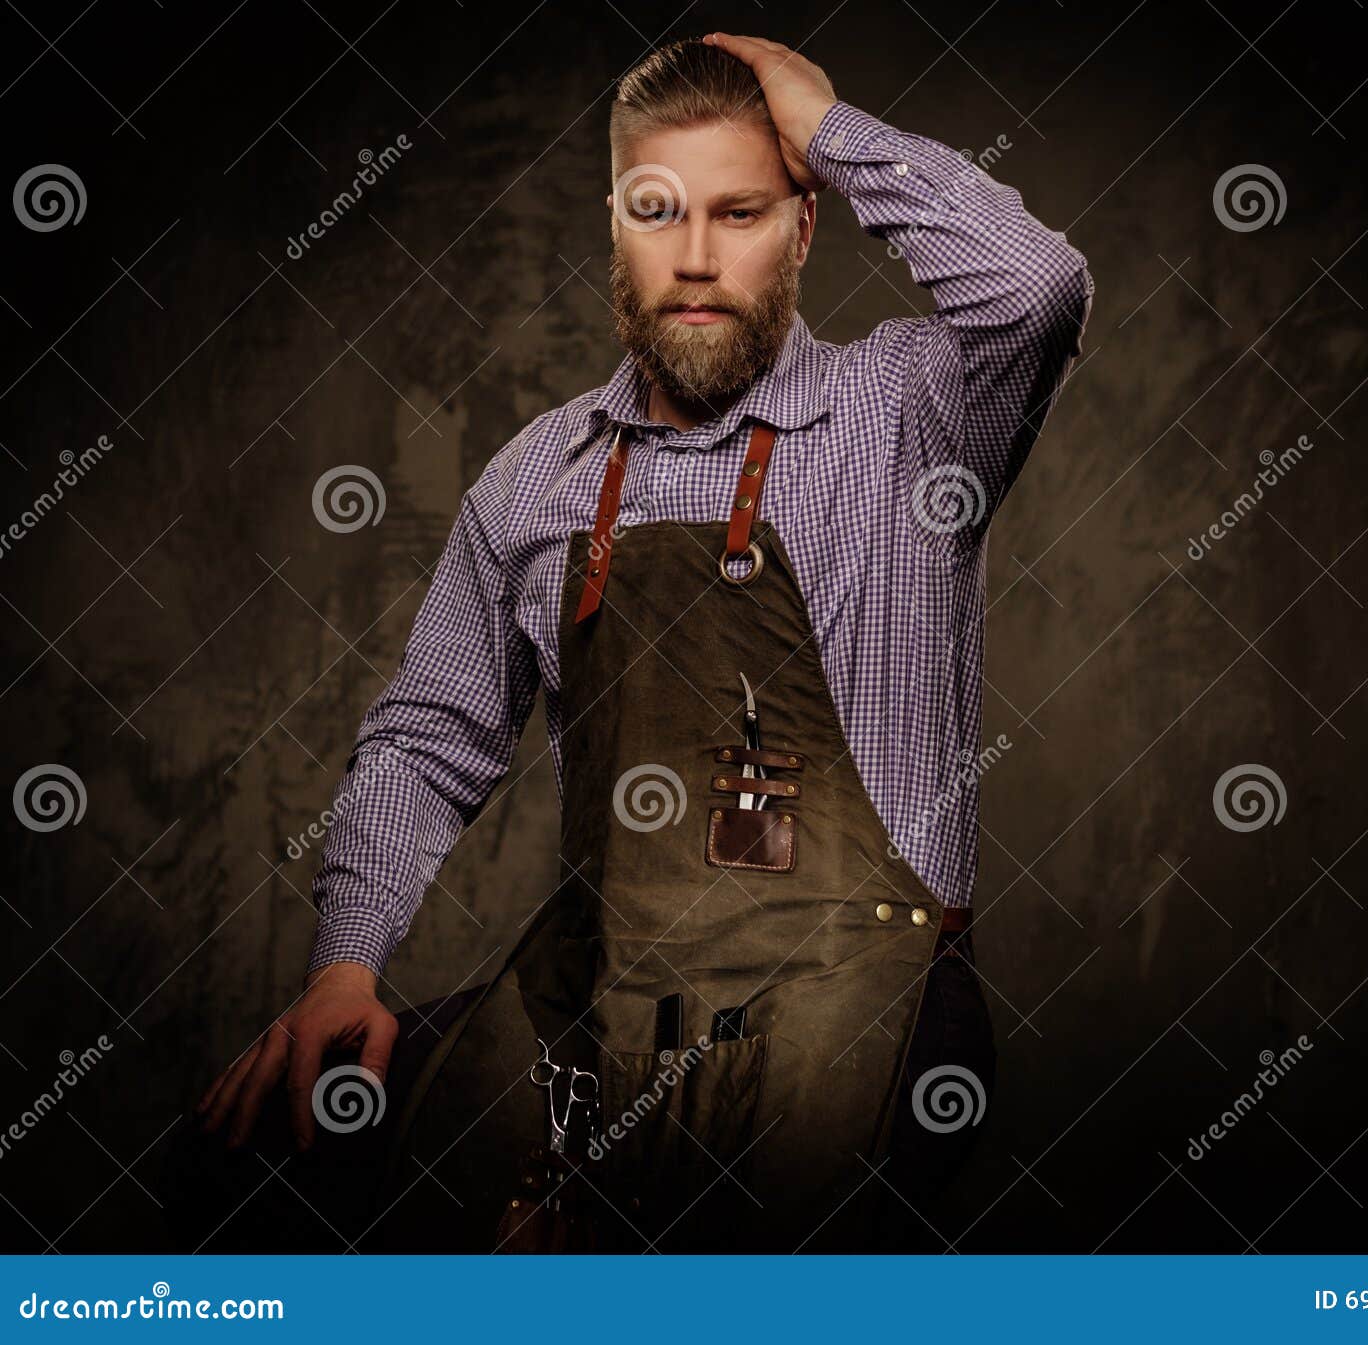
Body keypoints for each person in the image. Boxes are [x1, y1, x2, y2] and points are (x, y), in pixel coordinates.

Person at [188, 31, 1092, 1254]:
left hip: (860, 999)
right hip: (606, 993)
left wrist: (826, 127)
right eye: (659, 212)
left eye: (742, 211)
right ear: (614, 223)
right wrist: (344, 966)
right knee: (276, 1164)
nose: (700, 258)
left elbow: (1034, 284)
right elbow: (424, 739)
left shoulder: (912, 415)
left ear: (804, 228)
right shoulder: (534, 480)